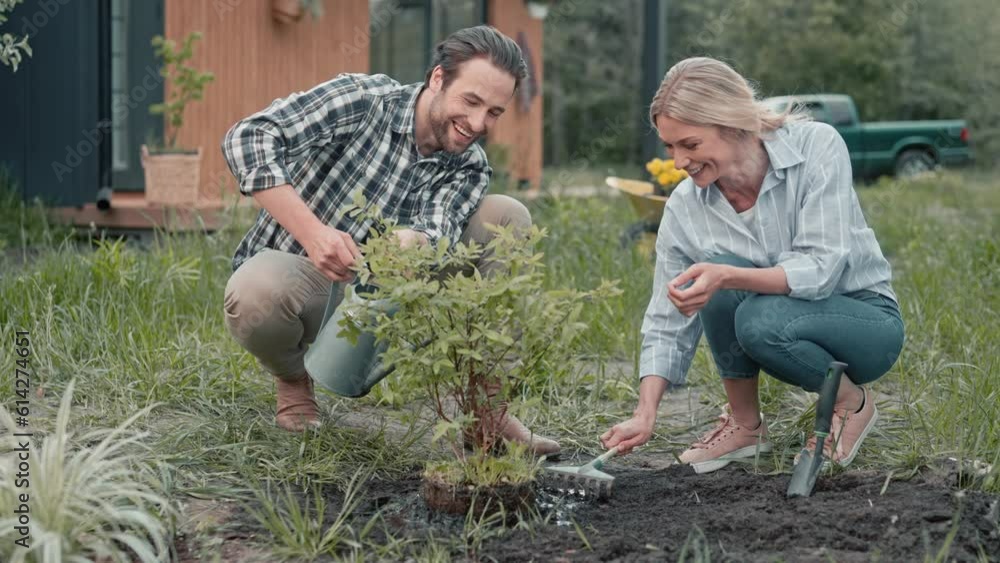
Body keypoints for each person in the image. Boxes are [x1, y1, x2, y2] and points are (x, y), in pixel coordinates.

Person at [220, 26, 560, 456]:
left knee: (507, 215)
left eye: (494, 112)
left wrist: (417, 241)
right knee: (253, 292)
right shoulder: (362, 101)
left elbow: (439, 227)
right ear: (438, 78)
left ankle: (485, 411)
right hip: (309, 286)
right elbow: (248, 137)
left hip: (396, 301)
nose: (478, 124)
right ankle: (292, 382)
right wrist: (314, 234)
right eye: (471, 101)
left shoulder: (469, 165)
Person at [601, 57, 905, 473]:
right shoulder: (685, 207)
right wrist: (645, 411)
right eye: (670, 147)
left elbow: (821, 270)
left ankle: (852, 404)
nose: (678, 162)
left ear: (734, 124)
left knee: (750, 309)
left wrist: (726, 276)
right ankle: (746, 426)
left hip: (864, 323)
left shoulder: (817, 146)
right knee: (721, 282)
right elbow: (667, 315)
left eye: (690, 144)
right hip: (777, 326)